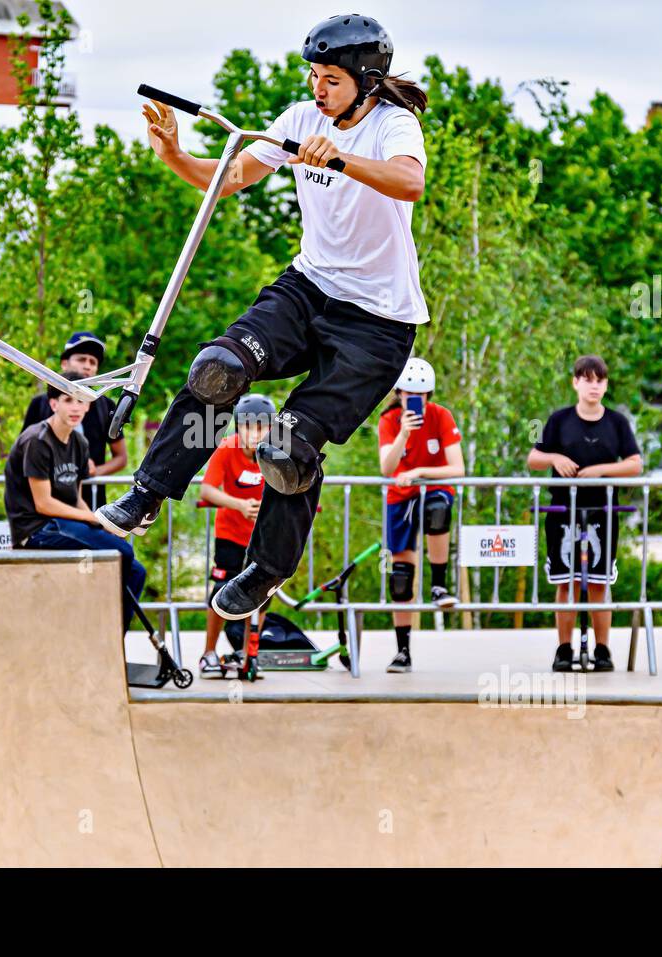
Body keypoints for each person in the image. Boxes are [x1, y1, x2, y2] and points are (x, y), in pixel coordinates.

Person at [97, 14, 429, 628]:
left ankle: (267, 569)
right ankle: (148, 492)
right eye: (313, 75)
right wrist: (174, 154)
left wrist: (345, 161)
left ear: (366, 79)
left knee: (286, 450)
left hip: (377, 325)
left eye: (330, 79)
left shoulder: (393, 124)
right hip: (308, 290)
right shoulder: (298, 120)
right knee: (218, 370)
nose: (317, 89)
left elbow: (410, 182)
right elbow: (228, 179)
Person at [526, 355, 643, 673]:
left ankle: (602, 649)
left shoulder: (617, 423)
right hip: (563, 511)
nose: (594, 386)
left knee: (599, 584)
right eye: (587, 379)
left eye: (600, 380)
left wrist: (601, 471)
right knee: (565, 582)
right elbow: (533, 457)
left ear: (606, 385)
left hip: (603, 512)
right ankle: (563, 649)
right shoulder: (559, 420)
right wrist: (554, 458)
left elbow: (635, 463)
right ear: (575, 382)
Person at [6, 375, 146, 633]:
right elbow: (44, 504)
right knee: (122, 553)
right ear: (53, 404)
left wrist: (98, 523)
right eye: (68, 400)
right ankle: (95, 628)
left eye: (81, 401)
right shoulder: (37, 440)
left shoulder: (80, 443)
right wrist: (93, 519)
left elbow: (75, 497)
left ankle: (112, 640)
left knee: (137, 571)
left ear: (89, 405)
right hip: (36, 529)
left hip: (64, 525)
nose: (75, 407)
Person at [377, 357, 465, 673]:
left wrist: (419, 472)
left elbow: (458, 468)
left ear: (430, 395)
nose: (417, 402)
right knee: (401, 579)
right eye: (409, 395)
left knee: (438, 510)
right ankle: (403, 651)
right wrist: (403, 434)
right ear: (399, 393)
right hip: (400, 496)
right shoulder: (388, 421)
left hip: (433, 488)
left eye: (423, 395)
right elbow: (386, 468)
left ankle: (439, 584)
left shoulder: (441, 417)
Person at [197, 393, 274, 677]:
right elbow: (207, 490)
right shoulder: (227, 448)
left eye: (261, 426)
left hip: (264, 536)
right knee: (221, 592)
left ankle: (248, 651)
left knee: (262, 592)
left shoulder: (278, 452)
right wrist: (240, 505)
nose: (254, 433)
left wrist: (266, 510)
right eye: (248, 426)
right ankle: (209, 652)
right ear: (238, 427)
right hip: (230, 532)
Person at [21, 331, 127, 508]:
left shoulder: (106, 406)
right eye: (81, 359)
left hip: (91, 502)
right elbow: (24, 452)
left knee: (104, 537)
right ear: (64, 364)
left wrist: (94, 471)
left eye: (93, 362)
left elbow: (121, 457)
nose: (87, 366)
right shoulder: (41, 404)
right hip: (47, 503)